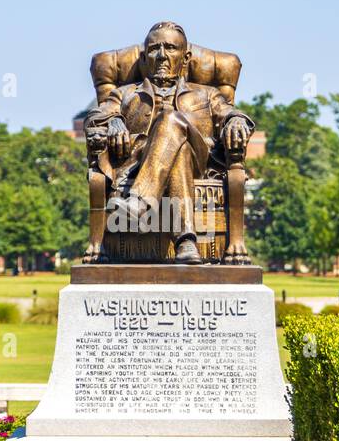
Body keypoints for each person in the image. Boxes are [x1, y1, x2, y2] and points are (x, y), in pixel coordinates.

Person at [85, 22, 254, 263]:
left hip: (200, 163)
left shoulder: (206, 94)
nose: (162, 56)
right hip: (141, 161)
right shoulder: (125, 93)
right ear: (144, 57)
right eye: (154, 49)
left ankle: (139, 201)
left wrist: (237, 119)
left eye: (171, 48)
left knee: (171, 119)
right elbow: (96, 116)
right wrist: (113, 121)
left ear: (185, 58)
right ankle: (186, 241)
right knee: (179, 150)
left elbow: (229, 112)